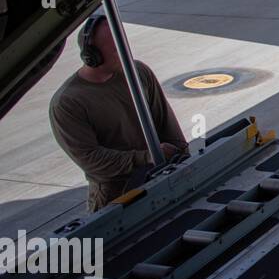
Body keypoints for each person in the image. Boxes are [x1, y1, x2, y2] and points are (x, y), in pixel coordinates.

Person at [48, 13, 186, 211]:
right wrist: (145, 157)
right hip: (116, 199)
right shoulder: (68, 103)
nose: (126, 54)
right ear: (92, 57)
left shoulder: (137, 72)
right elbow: (91, 160)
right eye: (116, 50)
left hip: (160, 178)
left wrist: (184, 161)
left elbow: (166, 124)